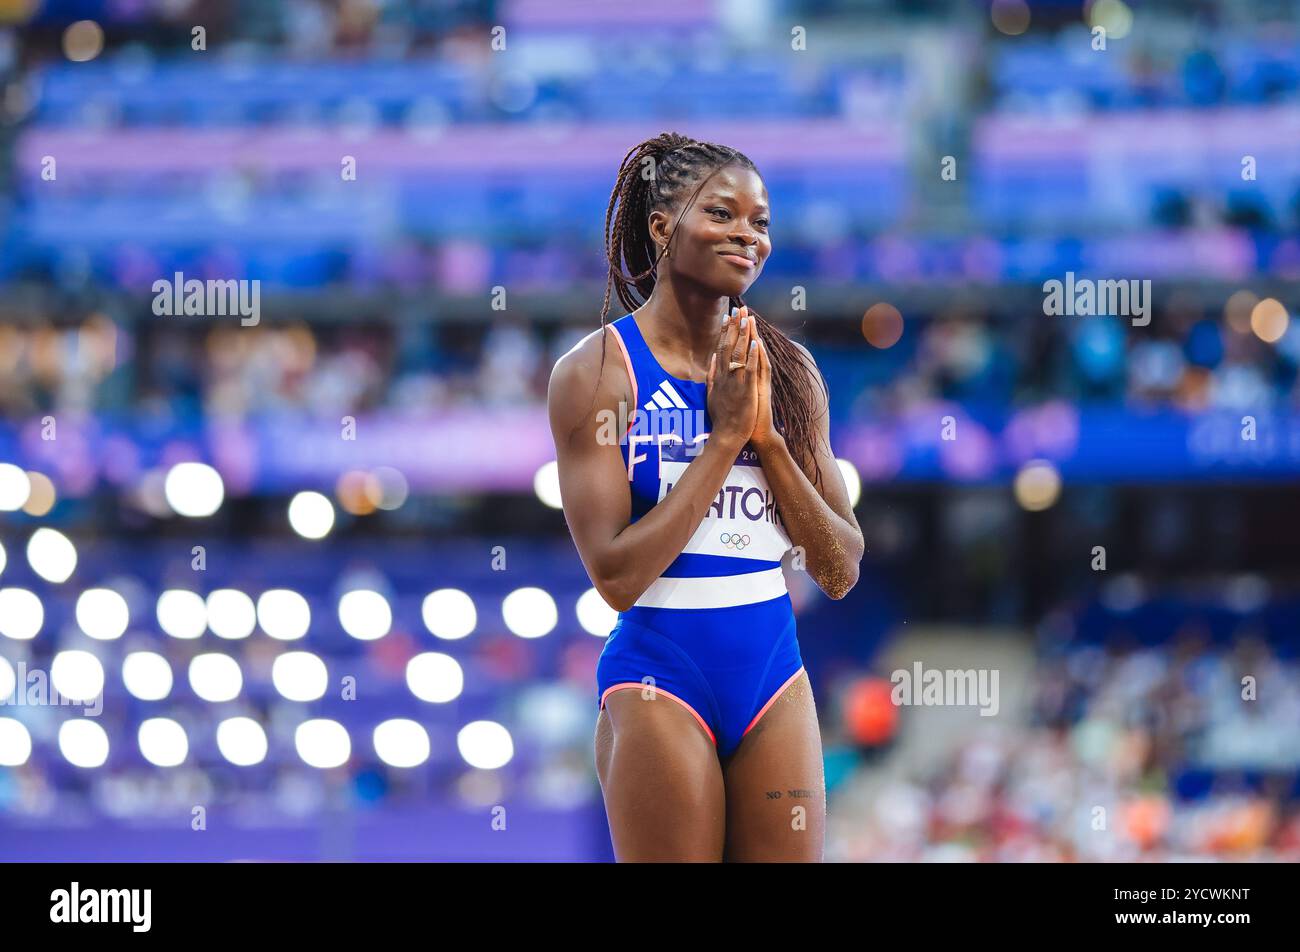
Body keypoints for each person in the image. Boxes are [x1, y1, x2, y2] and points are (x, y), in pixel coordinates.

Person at [547, 132, 864, 861]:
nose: (747, 236)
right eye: (722, 214)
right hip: (661, 675)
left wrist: (767, 442)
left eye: (760, 222)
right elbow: (618, 578)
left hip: (773, 675)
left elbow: (841, 568)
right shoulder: (598, 372)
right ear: (662, 226)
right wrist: (722, 444)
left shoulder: (789, 371)